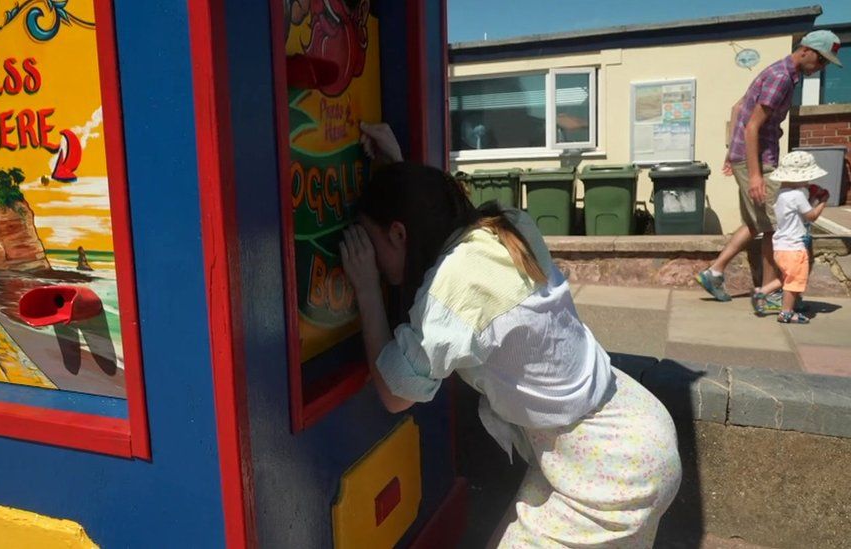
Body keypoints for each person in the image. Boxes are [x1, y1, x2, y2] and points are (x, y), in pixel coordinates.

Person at [344, 123, 682, 547]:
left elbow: (396, 392)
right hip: (632, 430)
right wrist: (396, 172)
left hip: (611, 468)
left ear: (398, 233)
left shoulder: (450, 293)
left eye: (371, 247)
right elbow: (431, 213)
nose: (370, 259)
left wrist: (368, 292)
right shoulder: (506, 225)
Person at [696, 30, 841, 310]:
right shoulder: (781, 78)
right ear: (806, 50)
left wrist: (732, 153)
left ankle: (714, 272)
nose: (821, 68)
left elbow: (739, 107)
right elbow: (752, 125)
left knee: (756, 223)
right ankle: (770, 294)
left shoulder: (779, 72)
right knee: (776, 227)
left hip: (750, 156)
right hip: (759, 159)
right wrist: (754, 174)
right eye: (822, 61)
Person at [759, 151, 829, 324]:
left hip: (781, 245)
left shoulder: (781, 194)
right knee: (794, 280)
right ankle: (786, 313)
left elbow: (799, 213)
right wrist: (823, 201)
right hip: (794, 247)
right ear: (799, 177)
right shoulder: (797, 195)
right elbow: (811, 216)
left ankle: (761, 292)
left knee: (785, 277)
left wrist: (812, 197)